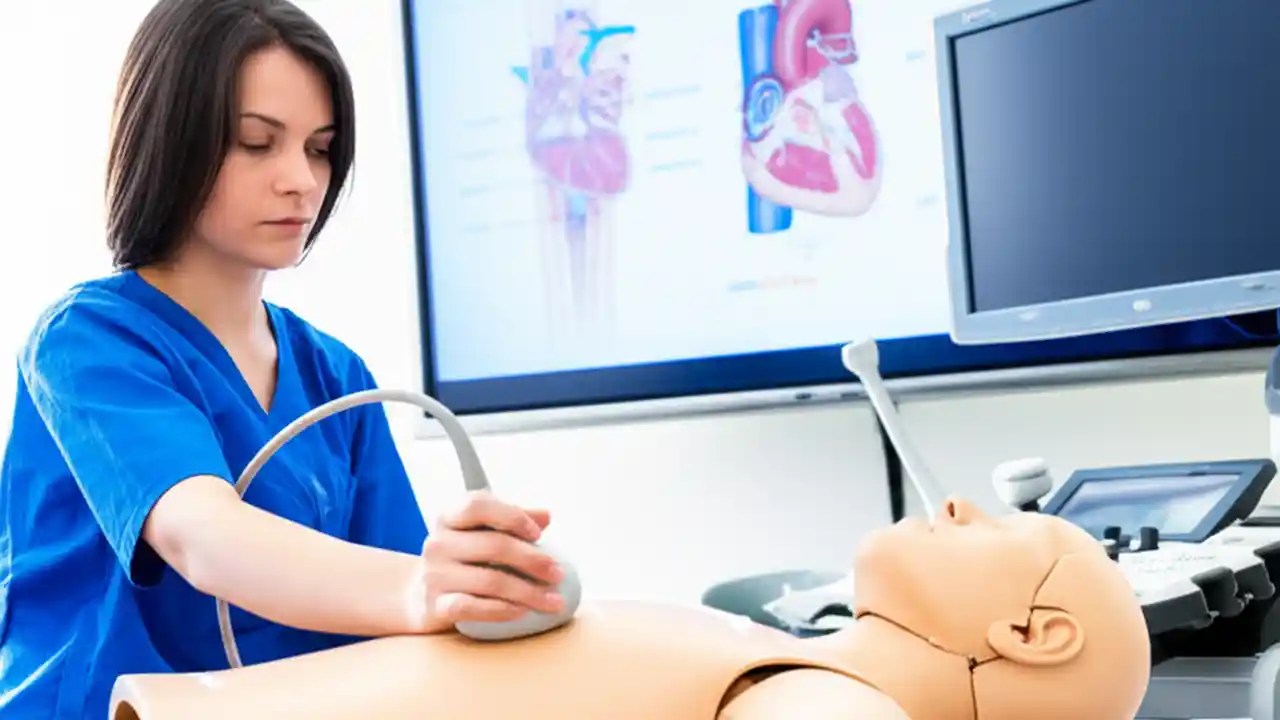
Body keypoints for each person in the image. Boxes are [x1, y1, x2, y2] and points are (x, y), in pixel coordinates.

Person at [0, 2, 565, 718]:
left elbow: (396, 617)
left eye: (320, 148)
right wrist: (423, 586)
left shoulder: (336, 377)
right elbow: (205, 537)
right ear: (170, 139)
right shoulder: (86, 343)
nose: (301, 180)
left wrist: (474, 583)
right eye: (256, 143)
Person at [107, 497, 1152, 720]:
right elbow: (196, 529)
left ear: (1032, 635)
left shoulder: (831, 704)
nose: (965, 503)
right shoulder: (797, 665)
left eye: (1025, 532)